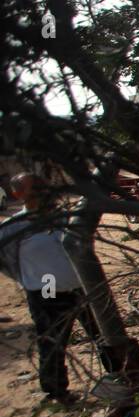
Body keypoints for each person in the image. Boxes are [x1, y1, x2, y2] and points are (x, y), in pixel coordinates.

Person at [0, 172, 112, 403]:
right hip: (47, 290)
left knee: (105, 336)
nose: (43, 190)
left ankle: (122, 377)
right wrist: (29, 278)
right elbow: (4, 259)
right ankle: (57, 392)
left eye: (43, 184)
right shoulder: (14, 227)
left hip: (82, 287)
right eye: (35, 187)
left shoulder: (66, 217)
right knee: (53, 341)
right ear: (18, 194)